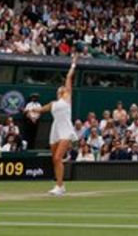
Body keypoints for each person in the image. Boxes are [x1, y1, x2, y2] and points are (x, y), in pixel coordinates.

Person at [32, 54, 78, 196]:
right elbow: (40, 109)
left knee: (58, 158)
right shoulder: (53, 104)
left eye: (63, 88)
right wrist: (31, 110)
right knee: (54, 159)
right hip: (55, 131)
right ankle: (60, 186)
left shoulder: (67, 98)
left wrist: (73, 64)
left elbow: (69, 78)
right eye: (60, 89)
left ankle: (59, 186)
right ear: (58, 92)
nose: (62, 89)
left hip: (65, 131)